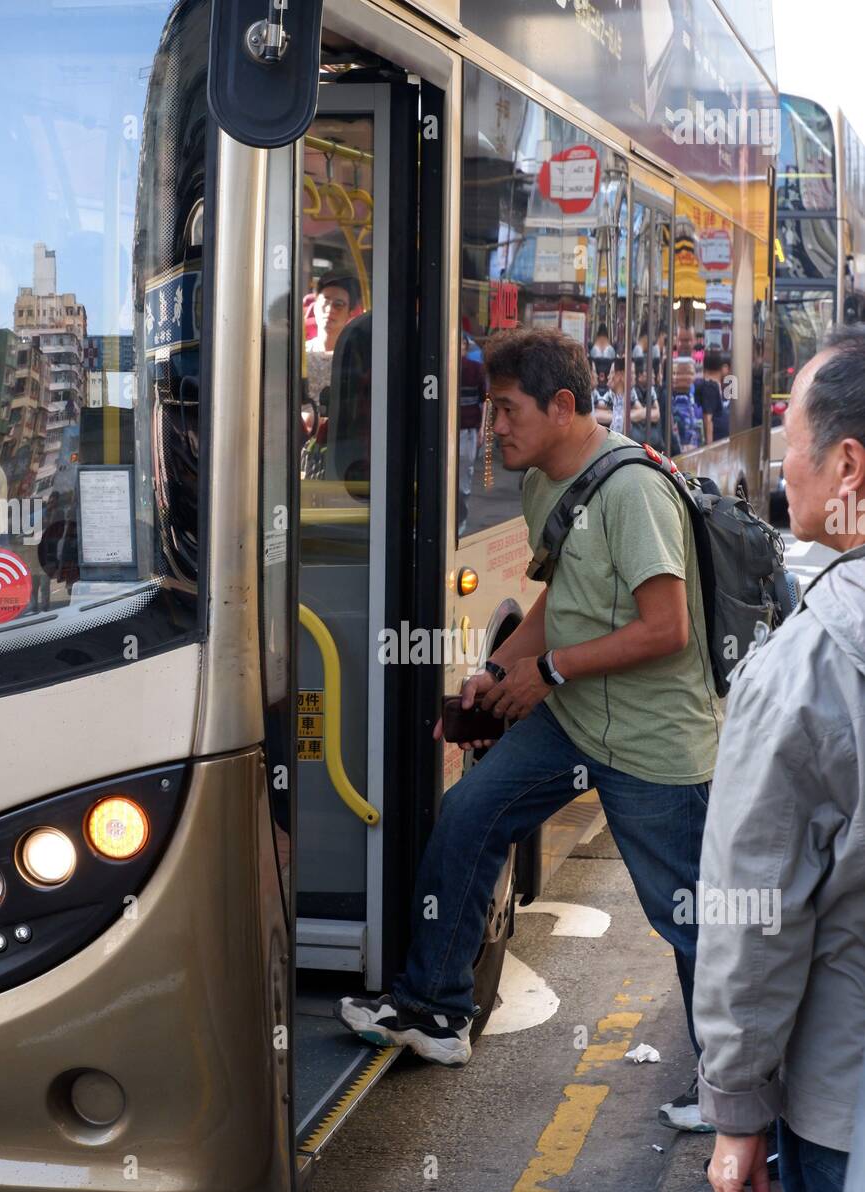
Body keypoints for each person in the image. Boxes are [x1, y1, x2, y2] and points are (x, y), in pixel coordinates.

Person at [337, 328, 722, 1135]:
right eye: (486, 408)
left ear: (562, 406)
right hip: (576, 720)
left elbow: (668, 630)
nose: (493, 427)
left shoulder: (632, 494)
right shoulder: (549, 483)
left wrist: (546, 674)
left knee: (688, 916)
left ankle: (735, 1090)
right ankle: (436, 1011)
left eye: (506, 410)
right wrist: (502, 667)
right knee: (472, 816)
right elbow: (559, 598)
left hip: (652, 743)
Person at [695, 325, 865, 1192]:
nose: (775, 462)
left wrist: (734, 1111)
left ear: (845, 463)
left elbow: (750, 911)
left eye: (787, 437)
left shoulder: (807, 665)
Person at [305, 271, 361, 409]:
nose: (330, 309)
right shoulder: (299, 353)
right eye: (325, 301)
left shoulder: (355, 358)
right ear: (315, 304)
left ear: (351, 312)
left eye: (339, 304)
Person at [458, 332, 486, 535]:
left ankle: (460, 520)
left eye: (461, 344)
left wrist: (483, 429)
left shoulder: (476, 369)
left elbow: (484, 400)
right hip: (448, 433)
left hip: (468, 430)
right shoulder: (442, 367)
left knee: (464, 479)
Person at [693, 348, 730, 445]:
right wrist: (709, 448)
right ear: (723, 368)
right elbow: (708, 419)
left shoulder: (710, 386)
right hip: (714, 445)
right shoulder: (710, 387)